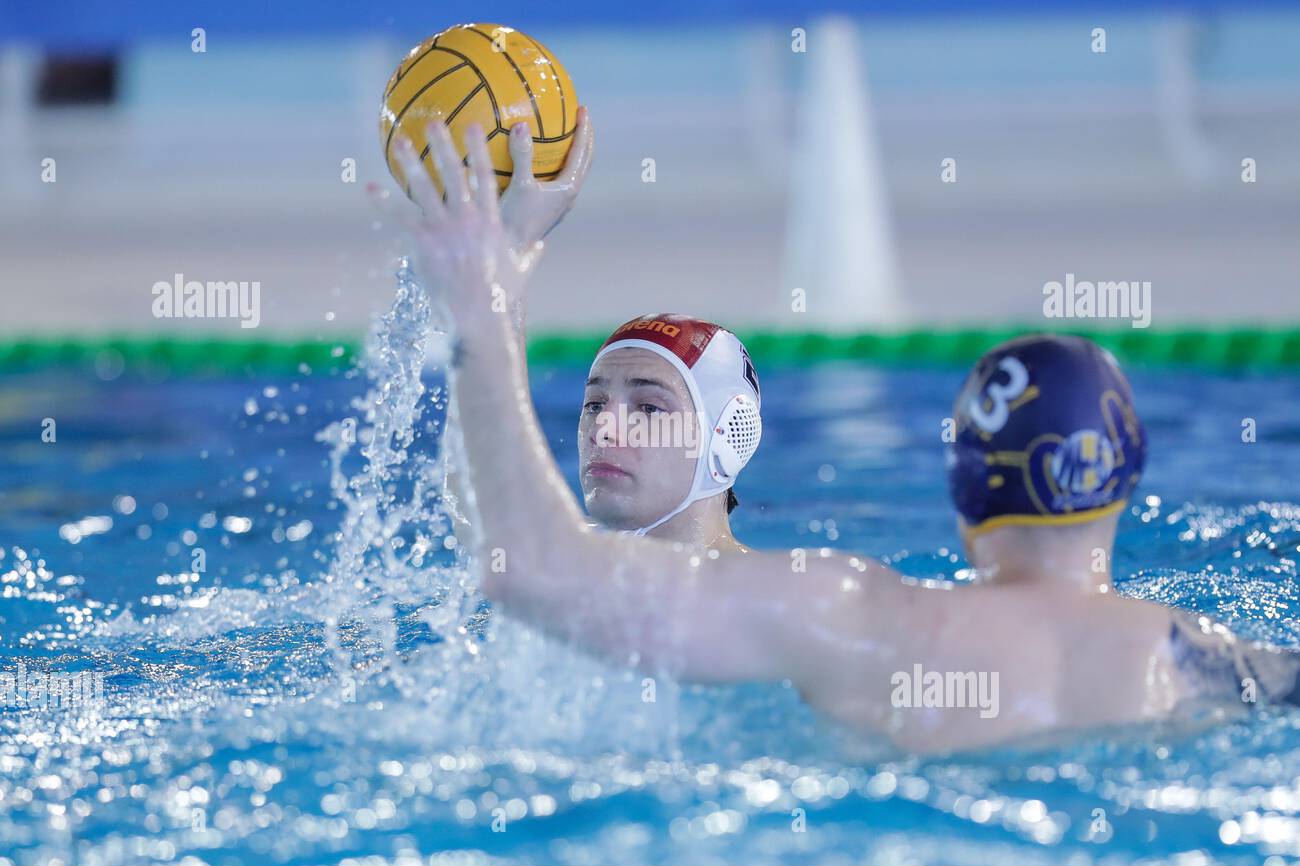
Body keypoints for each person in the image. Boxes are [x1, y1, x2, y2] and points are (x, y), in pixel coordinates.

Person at [393, 113, 1300, 753]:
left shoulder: (864, 618)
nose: (608, 424)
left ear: (960, 485)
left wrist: (485, 300)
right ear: (1126, 477)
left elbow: (530, 567)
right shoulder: (1203, 660)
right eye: (596, 401)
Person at [433, 112, 762, 552]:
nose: (604, 428)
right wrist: (501, 256)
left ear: (729, 436)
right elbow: (480, 500)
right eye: (594, 403)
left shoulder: (776, 605)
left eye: (648, 408)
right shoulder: (560, 564)